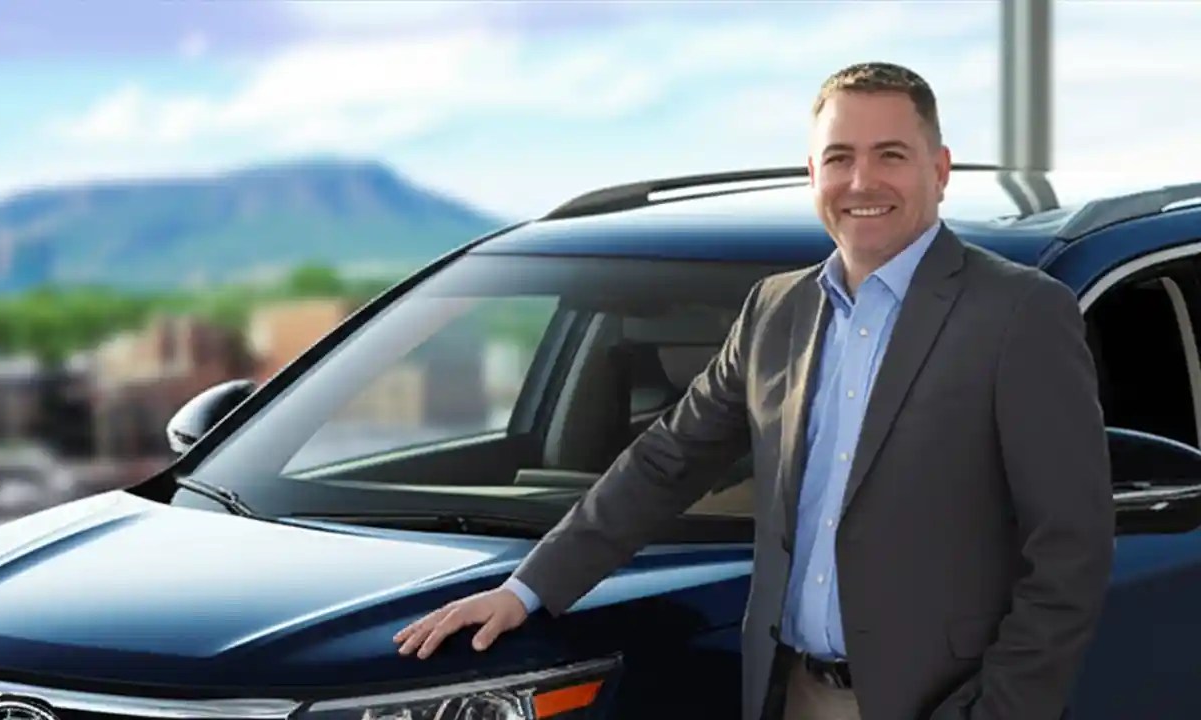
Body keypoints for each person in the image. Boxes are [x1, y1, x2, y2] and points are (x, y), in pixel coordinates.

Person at [393, 62, 1114, 720]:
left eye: (890, 155)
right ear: (814, 173)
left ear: (939, 169)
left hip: (943, 700)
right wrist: (526, 589)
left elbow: (1070, 549)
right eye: (839, 158)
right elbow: (665, 461)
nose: (861, 182)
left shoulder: (1020, 313)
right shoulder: (777, 310)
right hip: (795, 694)